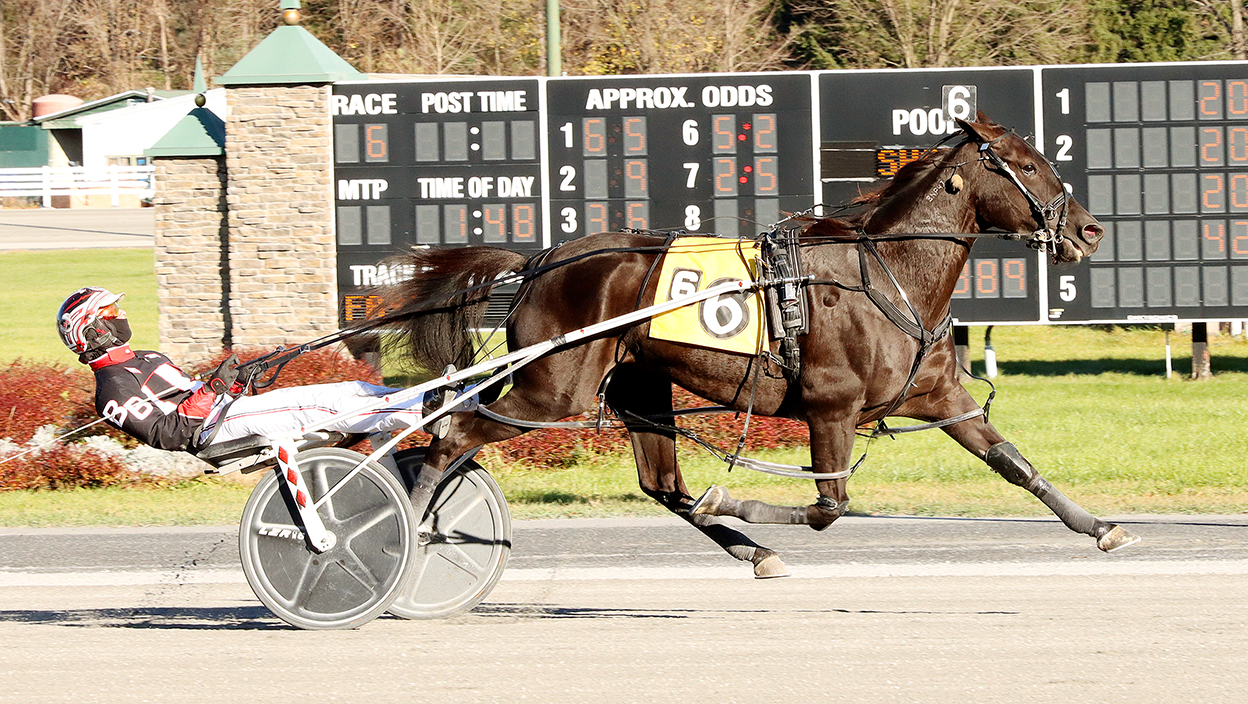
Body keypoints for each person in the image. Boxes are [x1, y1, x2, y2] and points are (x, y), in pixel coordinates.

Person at [56, 286, 470, 454]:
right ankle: (430, 413)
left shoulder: (142, 357)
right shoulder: (111, 390)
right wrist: (213, 390)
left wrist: (232, 380)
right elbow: (167, 435)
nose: (122, 313)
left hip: (226, 412)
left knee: (353, 388)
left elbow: (195, 394)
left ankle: (430, 400)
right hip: (214, 432)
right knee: (323, 406)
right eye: (111, 312)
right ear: (93, 330)